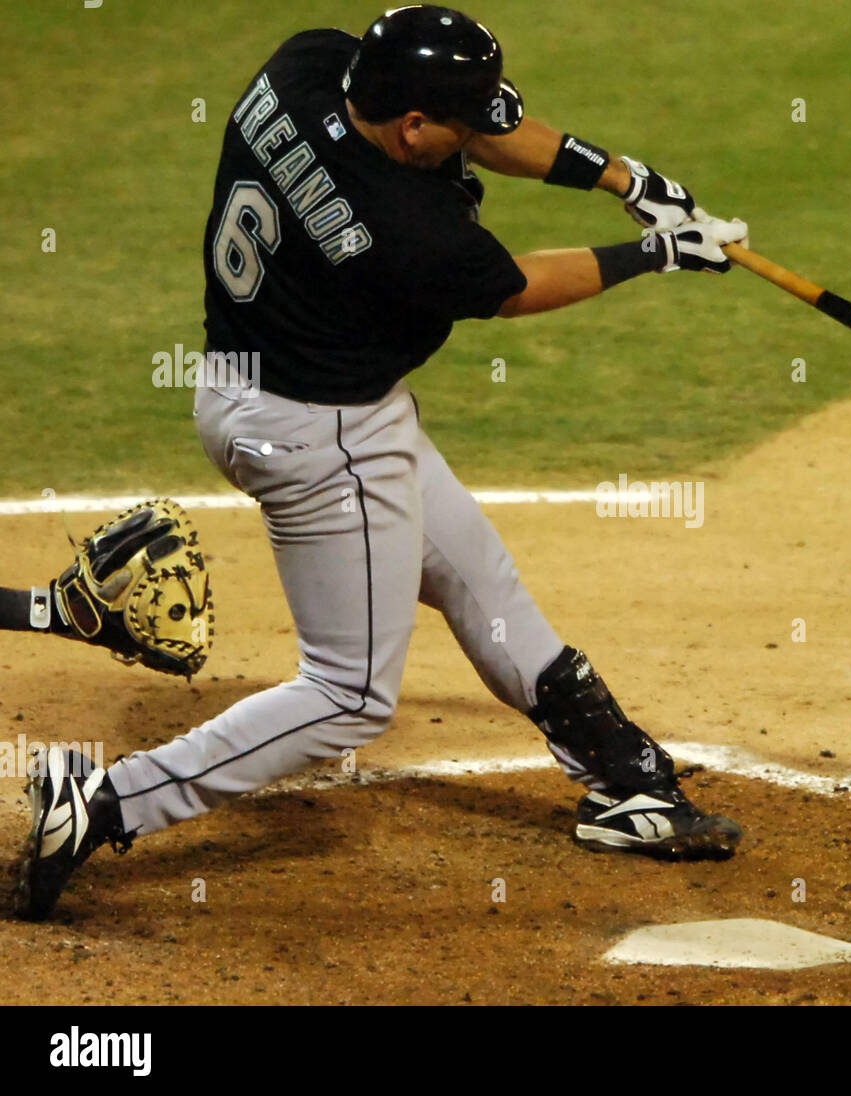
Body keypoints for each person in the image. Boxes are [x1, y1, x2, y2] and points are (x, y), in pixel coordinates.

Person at [11, 5, 747, 922]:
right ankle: (109, 803)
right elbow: (516, 287)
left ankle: (623, 783)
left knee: (477, 576)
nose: (480, 137)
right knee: (351, 694)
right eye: (460, 127)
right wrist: (657, 250)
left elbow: (495, 134)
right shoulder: (409, 234)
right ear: (409, 125)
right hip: (320, 435)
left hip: (260, 383)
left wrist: (625, 178)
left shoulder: (309, 66)